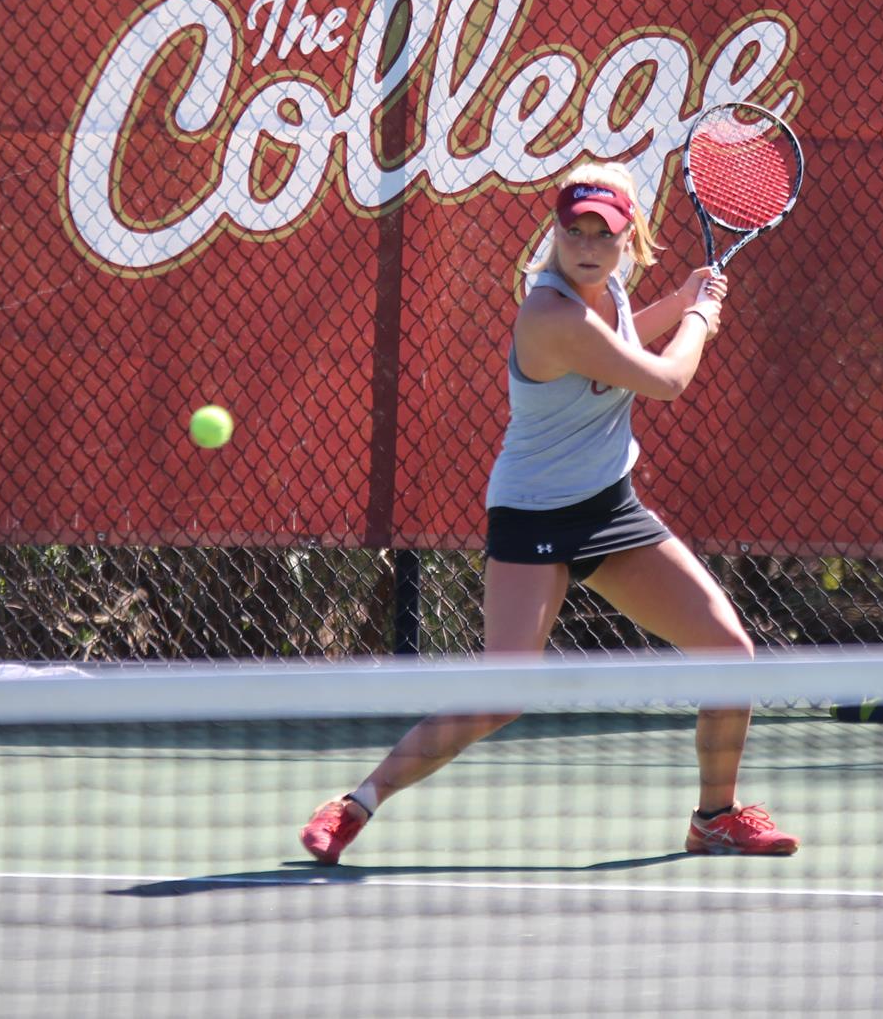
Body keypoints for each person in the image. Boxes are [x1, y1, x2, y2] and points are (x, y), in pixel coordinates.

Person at [300, 163, 798, 863]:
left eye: (604, 233)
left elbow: (619, 346)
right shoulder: (549, 312)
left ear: (630, 241)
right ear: (556, 233)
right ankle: (354, 805)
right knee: (503, 693)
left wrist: (679, 301)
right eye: (574, 230)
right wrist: (700, 318)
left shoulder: (610, 289)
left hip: (609, 509)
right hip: (532, 517)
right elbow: (666, 379)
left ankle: (715, 815)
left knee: (730, 653)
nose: (588, 244)